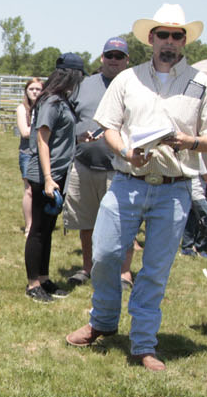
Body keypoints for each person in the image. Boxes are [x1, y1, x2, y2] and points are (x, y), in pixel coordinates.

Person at [65, 4, 207, 372]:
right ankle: (103, 320)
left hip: (174, 187)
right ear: (150, 39)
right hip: (126, 181)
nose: (169, 42)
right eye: (163, 35)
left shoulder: (204, 86)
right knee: (105, 255)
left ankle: (143, 342)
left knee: (155, 268)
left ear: (185, 40)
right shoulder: (128, 79)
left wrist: (189, 141)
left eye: (177, 35)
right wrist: (124, 150)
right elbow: (107, 126)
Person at [62, 37, 135, 286]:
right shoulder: (84, 85)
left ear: (127, 60)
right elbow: (67, 119)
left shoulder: (134, 86)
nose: (114, 60)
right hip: (83, 165)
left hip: (120, 167)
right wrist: (75, 136)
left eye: (119, 56)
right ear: (102, 58)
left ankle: (124, 273)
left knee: (123, 224)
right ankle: (88, 268)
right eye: (110, 55)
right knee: (87, 222)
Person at [22, 60, 82, 301]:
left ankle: (44, 279)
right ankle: (32, 284)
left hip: (58, 173)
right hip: (45, 175)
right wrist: (47, 178)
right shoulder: (51, 102)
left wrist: (80, 139)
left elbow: (58, 136)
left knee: (47, 229)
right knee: (37, 229)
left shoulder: (61, 100)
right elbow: (42, 140)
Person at [15, 77, 44, 232]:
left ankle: (40, 223)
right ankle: (29, 226)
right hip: (27, 153)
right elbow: (25, 132)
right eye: (31, 89)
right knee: (29, 190)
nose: (34, 92)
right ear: (26, 91)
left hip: (43, 153)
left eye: (38, 89)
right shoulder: (22, 109)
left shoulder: (45, 108)